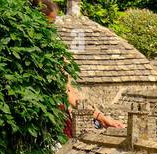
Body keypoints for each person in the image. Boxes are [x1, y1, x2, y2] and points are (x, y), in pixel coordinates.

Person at [35, 0, 124, 133]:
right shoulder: (41, 52)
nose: (50, 28)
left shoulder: (54, 51)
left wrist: (102, 118)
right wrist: (102, 118)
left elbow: (70, 91)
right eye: (48, 23)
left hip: (57, 117)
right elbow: (68, 94)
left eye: (52, 23)